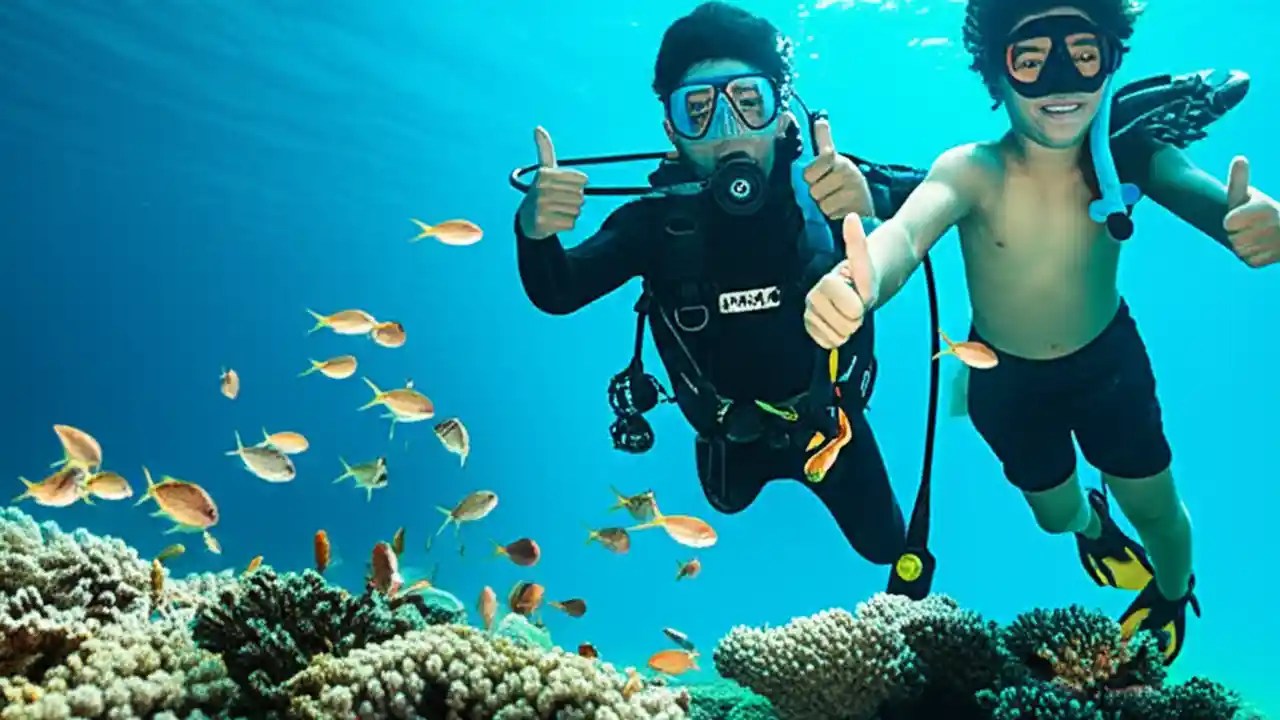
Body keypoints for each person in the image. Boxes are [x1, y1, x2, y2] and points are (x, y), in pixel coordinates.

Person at [803, 0, 1279, 664]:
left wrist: (1252, 223)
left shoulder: (1130, 154)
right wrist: (861, 282)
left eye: (1083, 56)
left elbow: (1211, 202)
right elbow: (906, 236)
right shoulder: (973, 169)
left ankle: (1173, 594)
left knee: (1157, 509)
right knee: (1056, 517)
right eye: (1031, 60)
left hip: (1108, 366)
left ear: (1111, 60)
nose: (1061, 81)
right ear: (996, 74)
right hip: (1006, 380)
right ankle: (1092, 523)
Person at [513, 2, 929, 568]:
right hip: (730, 435)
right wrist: (534, 232)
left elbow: (949, 196)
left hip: (832, 427)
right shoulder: (652, 224)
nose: (728, 130)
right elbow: (559, 292)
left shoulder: (830, 187)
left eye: (749, 102)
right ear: (672, 132)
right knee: (725, 503)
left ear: (782, 114)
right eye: (699, 111)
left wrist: (875, 197)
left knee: (886, 549)